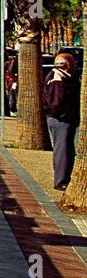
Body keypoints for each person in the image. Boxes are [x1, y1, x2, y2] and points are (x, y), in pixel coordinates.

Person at [43, 52, 79, 191]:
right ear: (68, 65)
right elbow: (56, 101)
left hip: (62, 118)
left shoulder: (62, 77)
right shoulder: (58, 78)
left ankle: (65, 178)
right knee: (62, 150)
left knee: (66, 149)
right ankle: (61, 181)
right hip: (60, 119)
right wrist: (61, 114)